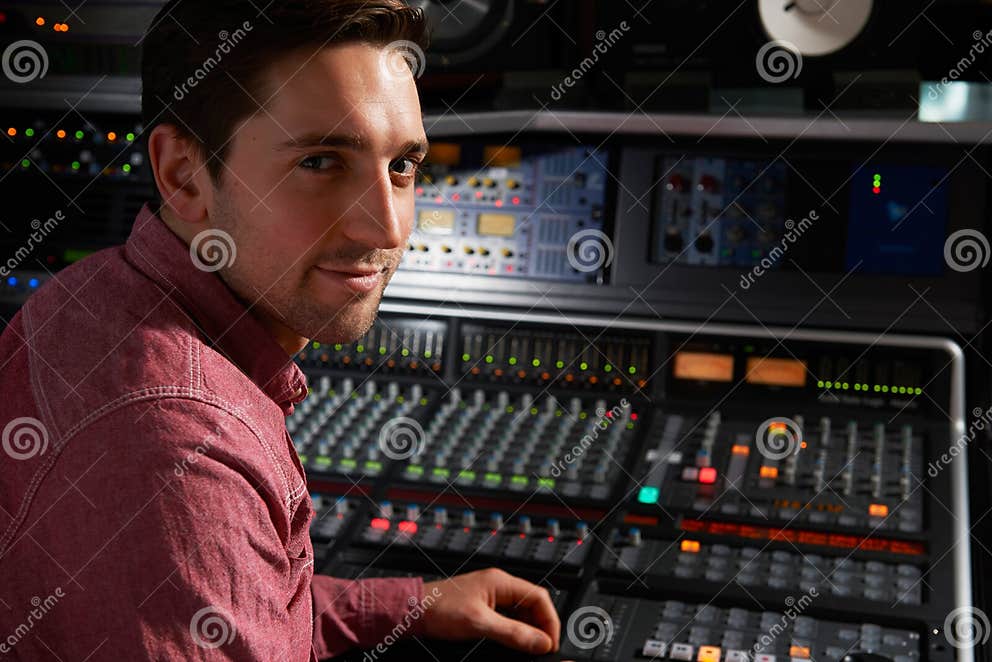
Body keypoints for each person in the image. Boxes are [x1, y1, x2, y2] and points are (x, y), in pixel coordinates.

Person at [0, 1, 561, 659]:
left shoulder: (94, 290)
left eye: (403, 166)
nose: (386, 228)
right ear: (184, 176)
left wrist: (406, 606)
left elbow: (232, 606)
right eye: (322, 162)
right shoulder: (181, 453)